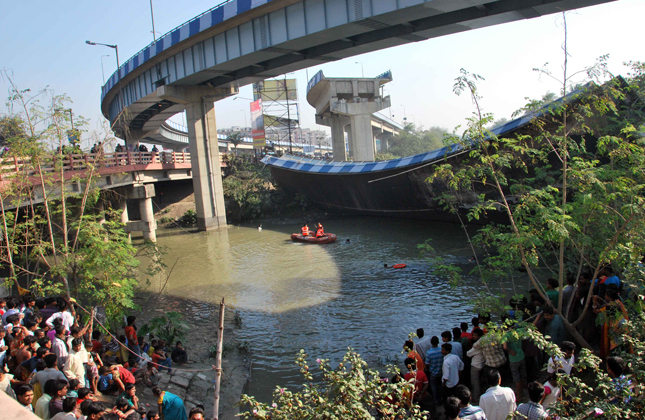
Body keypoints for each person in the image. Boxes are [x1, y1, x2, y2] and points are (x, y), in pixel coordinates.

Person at [594, 288, 630, 357]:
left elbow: (596, 310)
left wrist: (595, 301)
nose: (605, 297)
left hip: (617, 343)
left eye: (606, 295)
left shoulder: (618, 320)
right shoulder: (617, 303)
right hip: (614, 342)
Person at [467, 328, 485, 404]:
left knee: (475, 383)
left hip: (476, 365)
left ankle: (476, 398)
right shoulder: (484, 343)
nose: (473, 336)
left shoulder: (476, 345)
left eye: (475, 335)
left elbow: (468, 354)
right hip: (483, 363)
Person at [425, 336, 443, 404]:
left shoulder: (429, 353)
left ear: (431, 343)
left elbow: (427, 363)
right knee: (440, 386)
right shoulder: (441, 350)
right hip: (441, 371)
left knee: (434, 387)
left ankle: (436, 400)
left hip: (433, 372)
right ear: (438, 342)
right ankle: (441, 398)